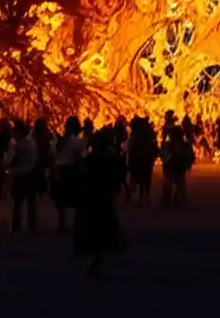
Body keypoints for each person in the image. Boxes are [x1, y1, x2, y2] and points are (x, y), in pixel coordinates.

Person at [74, 128, 126, 281]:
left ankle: (97, 257)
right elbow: (118, 176)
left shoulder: (90, 159)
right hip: (103, 197)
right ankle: (102, 255)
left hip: (93, 197)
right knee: (105, 225)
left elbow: (82, 177)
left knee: (93, 228)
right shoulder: (112, 158)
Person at [7, 119, 40, 233]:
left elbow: (13, 160)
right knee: (28, 201)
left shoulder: (21, 145)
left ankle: (18, 225)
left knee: (19, 201)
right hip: (28, 173)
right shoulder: (30, 142)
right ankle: (29, 225)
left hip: (23, 174)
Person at [53, 116, 85, 231]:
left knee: (64, 199)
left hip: (65, 169)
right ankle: (69, 222)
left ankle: (65, 222)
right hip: (68, 170)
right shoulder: (73, 141)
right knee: (69, 198)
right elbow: (80, 157)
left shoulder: (64, 141)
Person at [126, 116, 157, 207]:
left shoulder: (135, 135)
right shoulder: (149, 134)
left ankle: (140, 198)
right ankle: (145, 198)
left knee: (138, 178)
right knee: (146, 180)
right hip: (146, 160)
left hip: (137, 160)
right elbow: (153, 146)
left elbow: (130, 149)